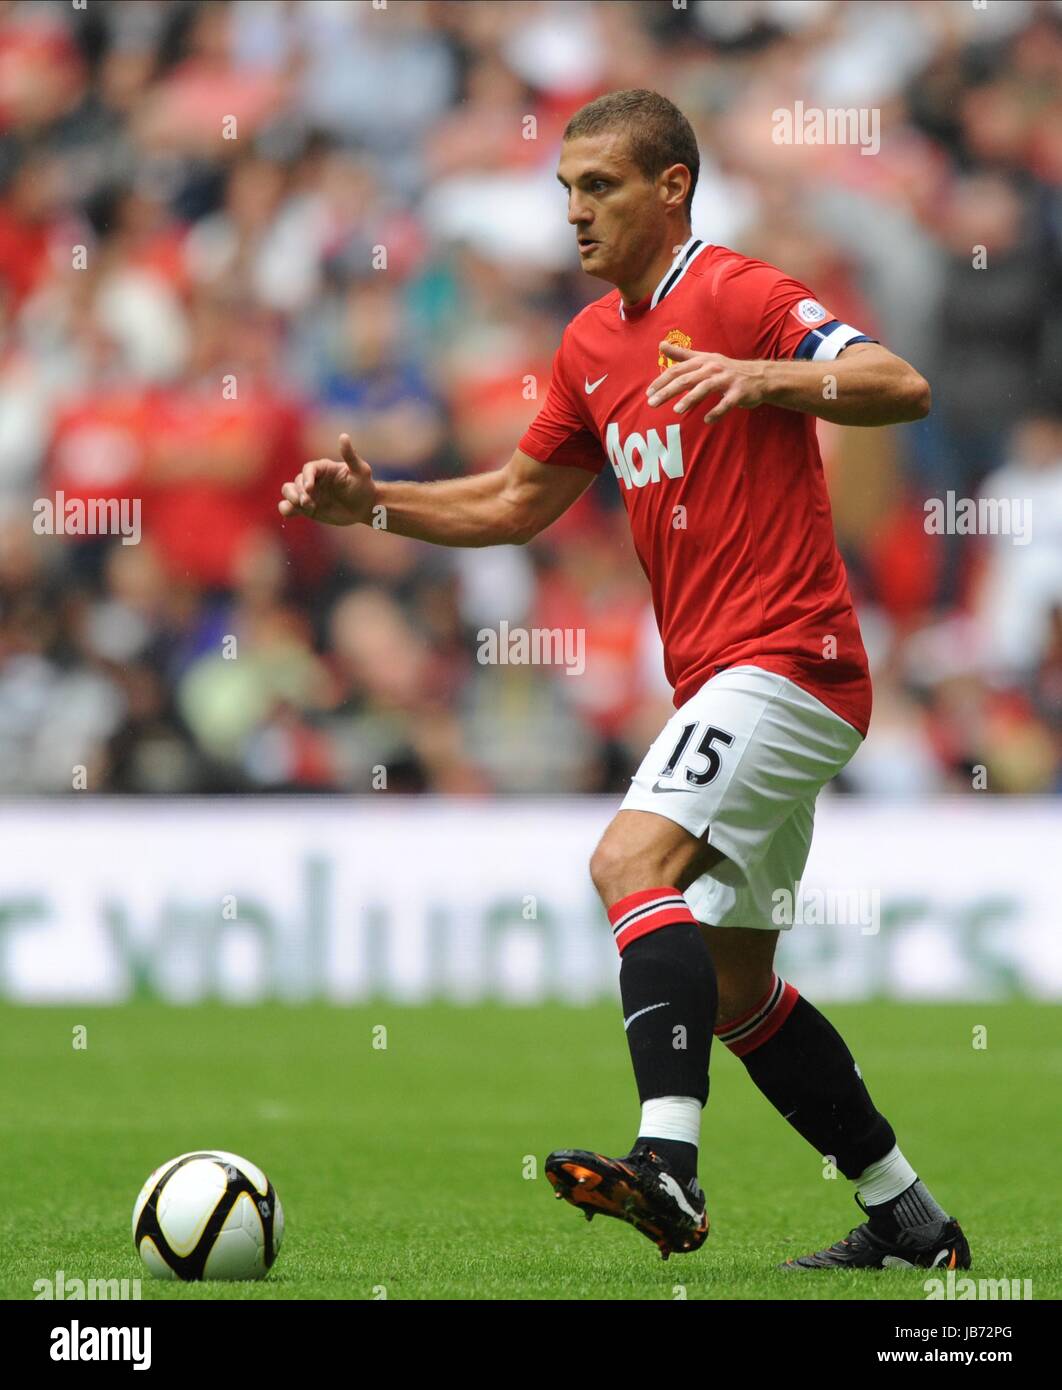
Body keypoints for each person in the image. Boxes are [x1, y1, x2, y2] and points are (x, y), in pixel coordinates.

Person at [278, 89, 969, 1272]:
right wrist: (377, 501)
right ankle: (907, 1215)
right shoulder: (593, 343)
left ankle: (669, 1167)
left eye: (598, 188)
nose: (575, 213)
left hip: (792, 658)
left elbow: (900, 384)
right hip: (723, 678)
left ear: (671, 188)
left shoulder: (741, 295)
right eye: (565, 191)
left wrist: (766, 381)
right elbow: (511, 501)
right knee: (741, 988)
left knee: (626, 862)